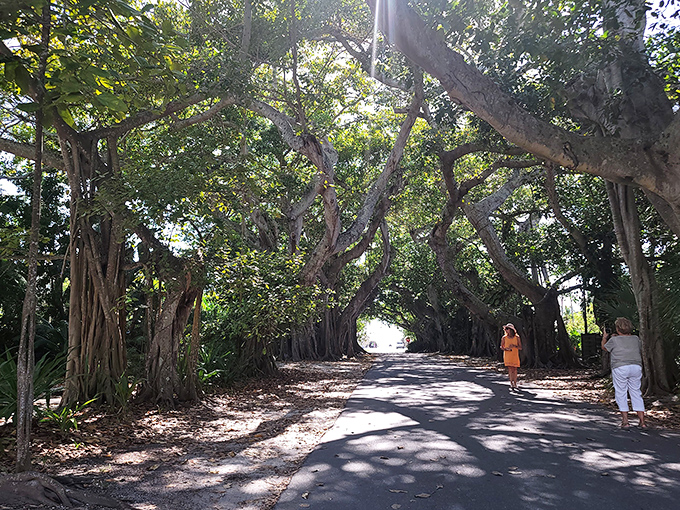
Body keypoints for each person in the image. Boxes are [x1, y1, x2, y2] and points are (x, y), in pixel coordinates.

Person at [601, 317, 646, 429]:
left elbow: (604, 348)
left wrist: (605, 337)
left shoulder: (614, 340)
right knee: (636, 392)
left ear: (617, 328)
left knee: (621, 392)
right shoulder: (636, 339)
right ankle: (642, 421)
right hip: (636, 367)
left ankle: (625, 421)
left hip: (620, 367)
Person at [500, 323, 522, 390]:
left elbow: (520, 347)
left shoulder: (517, 337)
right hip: (508, 354)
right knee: (510, 369)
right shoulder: (504, 338)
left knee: (515, 369)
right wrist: (506, 349)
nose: (506, 330)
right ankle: (511, 382)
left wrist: (514, 346)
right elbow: (501, 346)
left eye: (507, 329)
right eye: (505, 329)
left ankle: (515, 382)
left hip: (514, 355)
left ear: (511, 330)